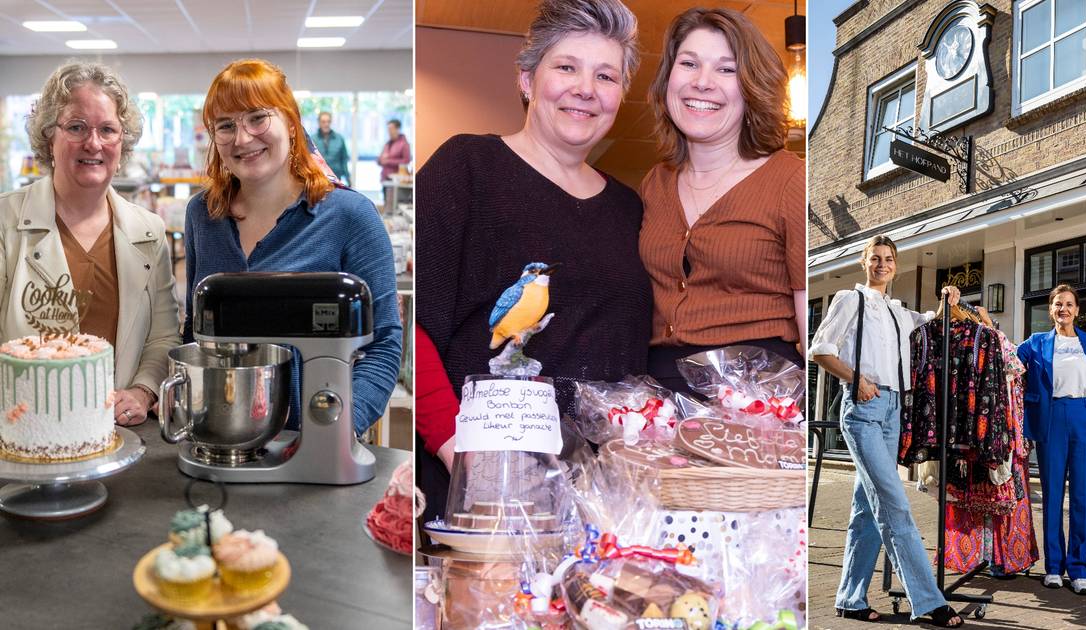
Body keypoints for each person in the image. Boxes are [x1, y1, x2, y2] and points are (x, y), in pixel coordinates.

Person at [415, 0, 649, 521]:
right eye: (566, 67)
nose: (585, 88)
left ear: (619, 97)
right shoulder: (467, 167)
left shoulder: (629, 207)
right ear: (526, 80)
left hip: (604, 485)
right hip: (488, 474)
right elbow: (411, 322)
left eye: (606, 76)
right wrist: (456, 448)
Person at [183, 59, 402, 437]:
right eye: (226, 125)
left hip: (319, 446)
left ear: (290, 121)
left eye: (257, 118)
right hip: (222, 439)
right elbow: (194, 333)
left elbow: (383, 346)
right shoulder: (202, 215)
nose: (242, 138)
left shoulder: (349, 216)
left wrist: (334, 431)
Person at [0, 61, 180, 427]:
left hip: (120, 432)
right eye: (77, 127)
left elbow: (163, 337)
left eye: (108, 129)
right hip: (24, 430)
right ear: (50, 137)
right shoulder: (6, 222)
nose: (93, 143)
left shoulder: (149, 231)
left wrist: (144, 391)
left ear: (122, 143)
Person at [639, 7, 804, 394]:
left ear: (751, 87)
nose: (703, 82)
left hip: (758, 400)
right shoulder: (654, 184)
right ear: (668, 78)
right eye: (689, 63)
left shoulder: (791, 180)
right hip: (658, 398)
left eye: (726, 69)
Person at [808, 235, 964, 627]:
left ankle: (849, 598)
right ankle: (928, 600)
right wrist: (855, 377)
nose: (882, 264)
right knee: (894, 504)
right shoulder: (850, 299)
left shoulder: (898, 312)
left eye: (889, 258)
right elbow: (819, 349)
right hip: (862, 408)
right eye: (875, 258)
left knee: (866, 509)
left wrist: (950, 299)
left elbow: (933, 320)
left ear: (896, 265)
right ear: (864, 262)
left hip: (895, 410)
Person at [1017, 284, 1086, 596]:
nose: (1064, 309)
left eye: (1069, 304)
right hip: (1052, 418)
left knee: (1084, 495)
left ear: (1077, 310)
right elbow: (1007, 360)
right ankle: (1053, 567)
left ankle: (1080, 568)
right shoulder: (1036, 343)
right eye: (1058, 304)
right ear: (1051, 310)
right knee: (1052, 495)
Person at [314, 111, 351, 185]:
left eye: (328, 121)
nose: (326, 124)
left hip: (336, 180)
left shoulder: (339, 139)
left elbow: (344, 160)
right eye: (323, 122)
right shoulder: (312, 140)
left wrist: (348, 178)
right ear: (319, 123)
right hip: (318, 181)